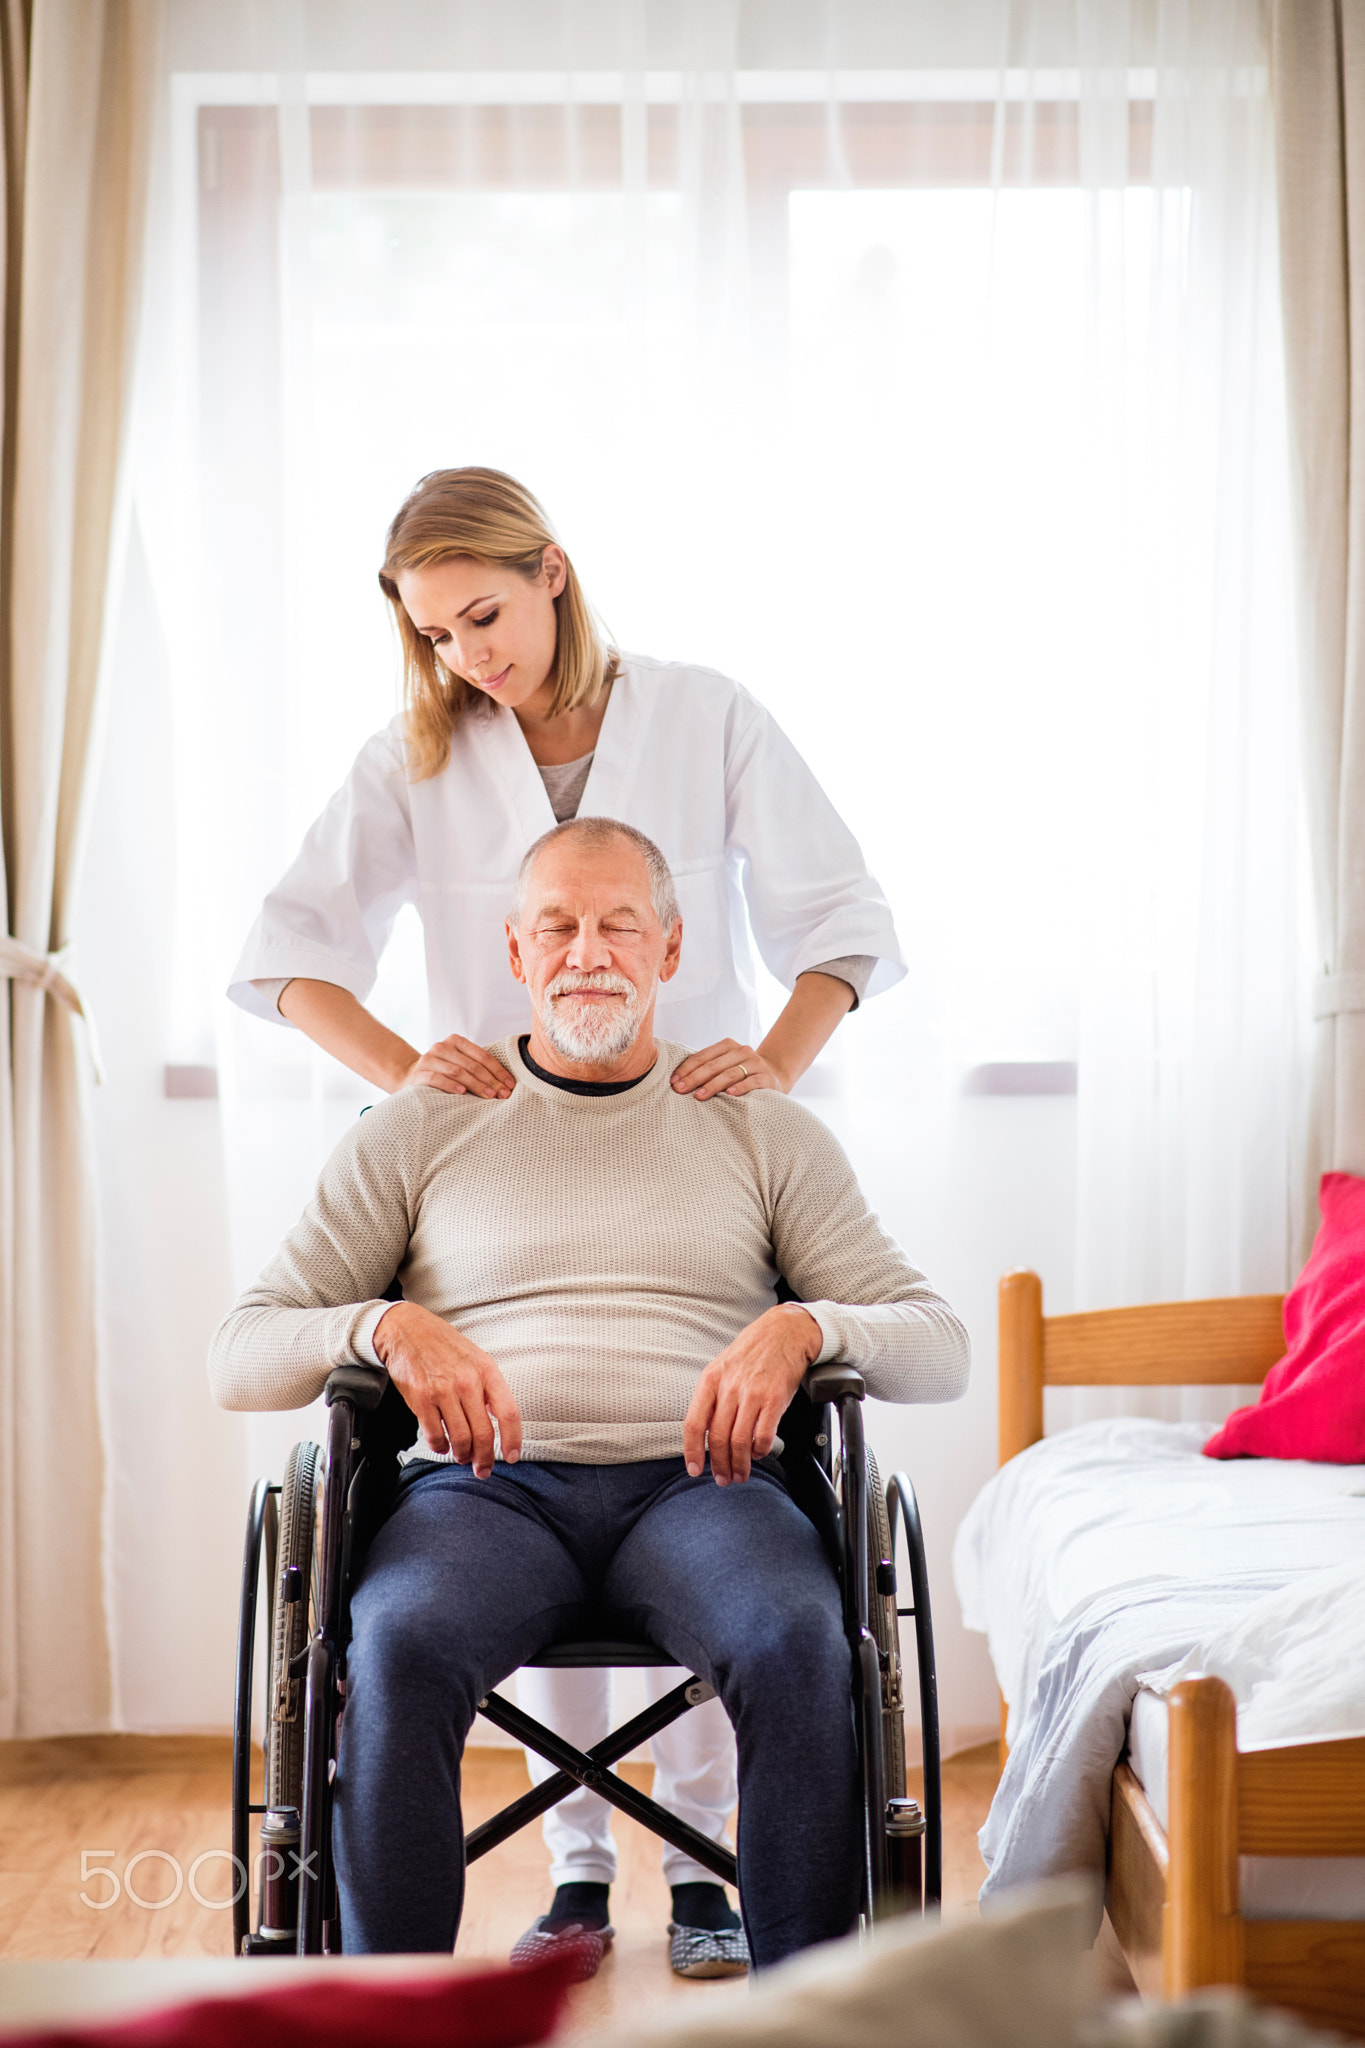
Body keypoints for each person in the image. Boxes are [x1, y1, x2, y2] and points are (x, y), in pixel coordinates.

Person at [227, 466, 905, 1978]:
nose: (471, 653)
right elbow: (281, 953)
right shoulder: (417, 753)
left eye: (487, 615)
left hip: (694, 1161)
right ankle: (580, 1872)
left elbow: (845, 924)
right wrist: (417, 1081)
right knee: (508, 1470)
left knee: (715, 1497)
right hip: (487, 1177)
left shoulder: (703, 712)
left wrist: (762, 1083)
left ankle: (716, 1878)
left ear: (552, 573)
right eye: (437, 634)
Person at [210, 818, 968, 1968]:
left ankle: (817, 2006)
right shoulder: (424, 1122)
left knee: (797, 1640)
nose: (587, 950)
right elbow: (239, 1352)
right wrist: (386, 1322)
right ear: (516, 951)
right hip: (482, 1493)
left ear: (670, 948)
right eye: (557, 925)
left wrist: (805, 1325)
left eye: (620, 922)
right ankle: (390, 2012)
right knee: (395, 1645)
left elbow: (940, 1344)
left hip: (705, 1486)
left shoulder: (756, 1123)